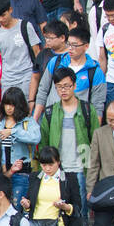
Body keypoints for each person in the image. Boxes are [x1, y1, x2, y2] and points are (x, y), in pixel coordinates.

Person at [21, 144, 85, 226]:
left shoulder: (69, 178)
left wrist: (66, 207)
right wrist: (26, 204)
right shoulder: (35, 177)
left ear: (58, 162)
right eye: (44, 165)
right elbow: (29, 202)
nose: (47, 168)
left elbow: (77, 206)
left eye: (51, 165)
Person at [37, 69, 95, 204]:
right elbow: (44, 143)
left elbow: (95, 139)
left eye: (66, 86)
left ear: (74, 86)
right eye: (58, 87)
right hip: (58, 168)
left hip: (81, 167)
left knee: (80, 209)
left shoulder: (87, 109)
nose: (63, 90)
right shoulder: (50, 112)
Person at [33, 24, 106, 119]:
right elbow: (43, 91)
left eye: (75, 45)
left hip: (79, 124)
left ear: (86, 46)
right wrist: (35, 120)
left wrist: (94, 132)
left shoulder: (94, 71)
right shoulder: (55, 62)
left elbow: (98, 106)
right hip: (53, 120)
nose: (70, 48)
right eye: (69, 44)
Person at [0, 0, 44, 98]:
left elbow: (37, 52)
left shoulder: (25, 26)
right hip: (6, 80)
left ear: (10, 10)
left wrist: (38, 76)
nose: (0, 19)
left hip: (27, 76)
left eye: (3, 15)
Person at [0, 88, 41, 205]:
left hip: (21, 172)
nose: (9, 108)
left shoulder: (27, 122)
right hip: (1, 172)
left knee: (17, 208)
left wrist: (12, 132)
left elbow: (35, 138)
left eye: (12, 105)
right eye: (6, 104)